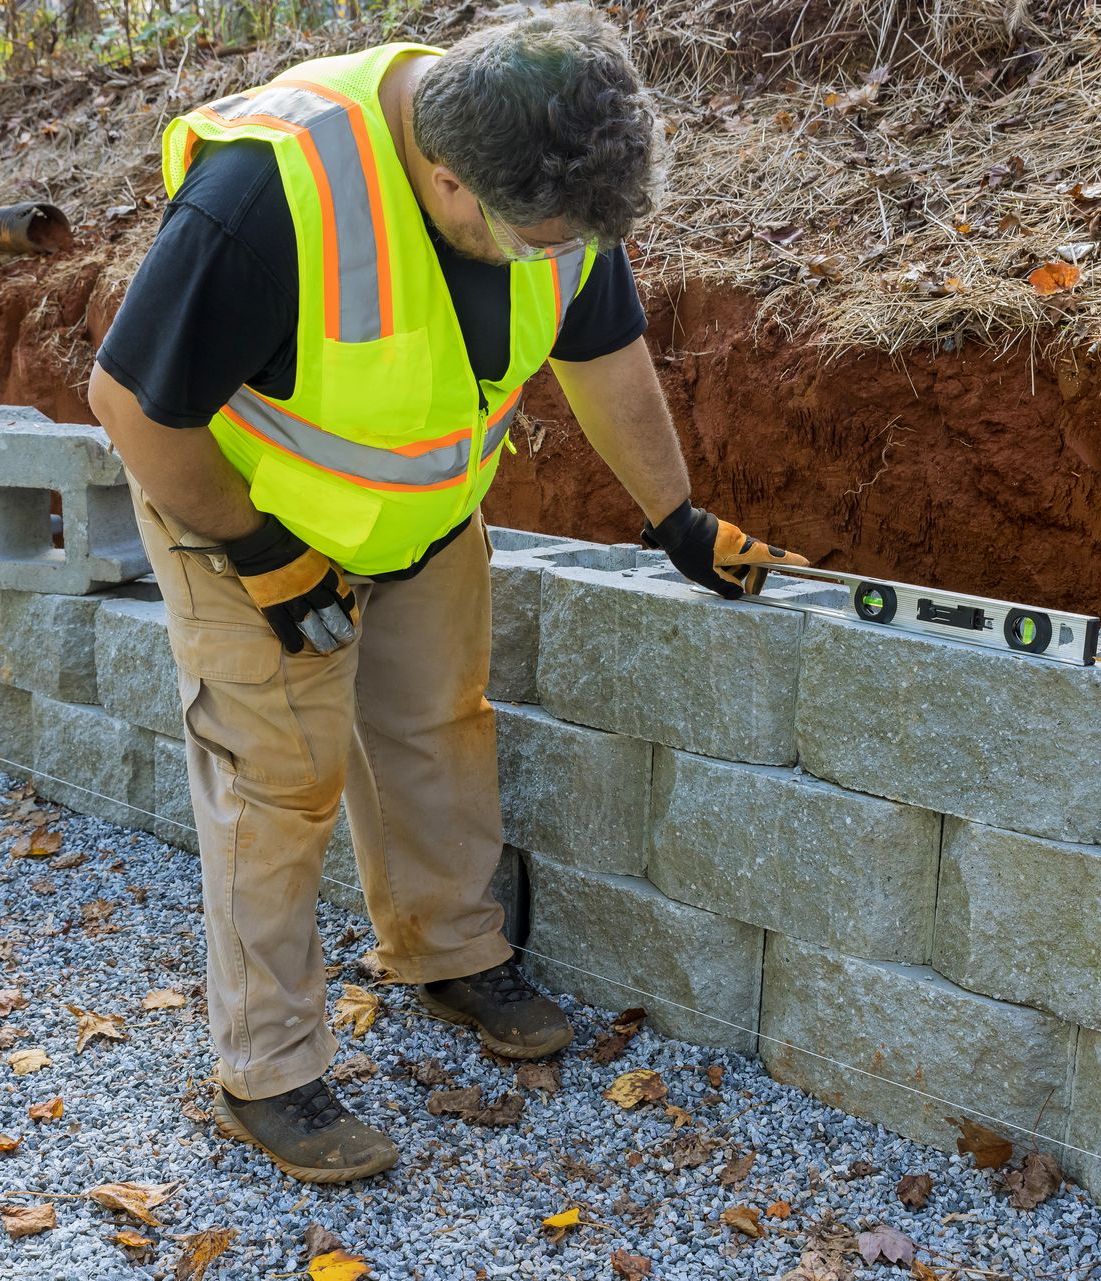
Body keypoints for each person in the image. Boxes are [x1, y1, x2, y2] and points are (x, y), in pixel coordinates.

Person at [88, 4, 808, 1185]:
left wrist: (673, 515)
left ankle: (448, 951)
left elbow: (604, 349)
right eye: (533, 238)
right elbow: (132, 406)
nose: (552, 255)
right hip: (242, 515)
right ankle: (265, 1071)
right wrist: (265, 556)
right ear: (443, 175)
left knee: (435, 727)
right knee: (281, 787)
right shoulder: (268, 194)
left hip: (420, 522)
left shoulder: (551, 175)